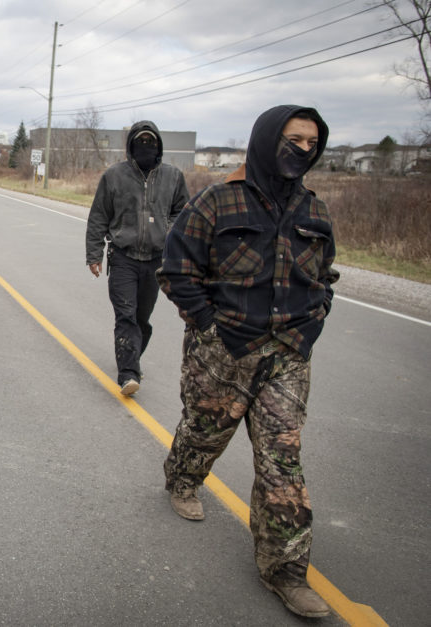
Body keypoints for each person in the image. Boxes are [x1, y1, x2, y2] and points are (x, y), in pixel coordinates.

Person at [156, 105, 338, 618]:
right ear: (265, 140)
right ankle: (183, 479)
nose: (303, 149)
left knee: (283, 462)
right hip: (224, 352)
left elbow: (326, 277)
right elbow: (176, 270)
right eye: (293, 139)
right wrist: (209, 327)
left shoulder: (315, 212)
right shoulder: (217, 202)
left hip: (287, 357)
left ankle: (286, 572)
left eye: (311, 142)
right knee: (204, 432)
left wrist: (314, 319)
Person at [85, 121, 188, 395]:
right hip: (123, 258)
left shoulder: (173, 177)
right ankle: (128, 374)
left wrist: (169, 233)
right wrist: (94, 254)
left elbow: (183, 213)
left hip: (155, 261)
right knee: (126, 316)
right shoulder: (114, 176)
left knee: (142, 320)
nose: (146, 146)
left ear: (159, 146)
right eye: (140, 142)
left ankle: (132, 357)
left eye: (150, 142)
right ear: (131, 146)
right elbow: (98, 217)